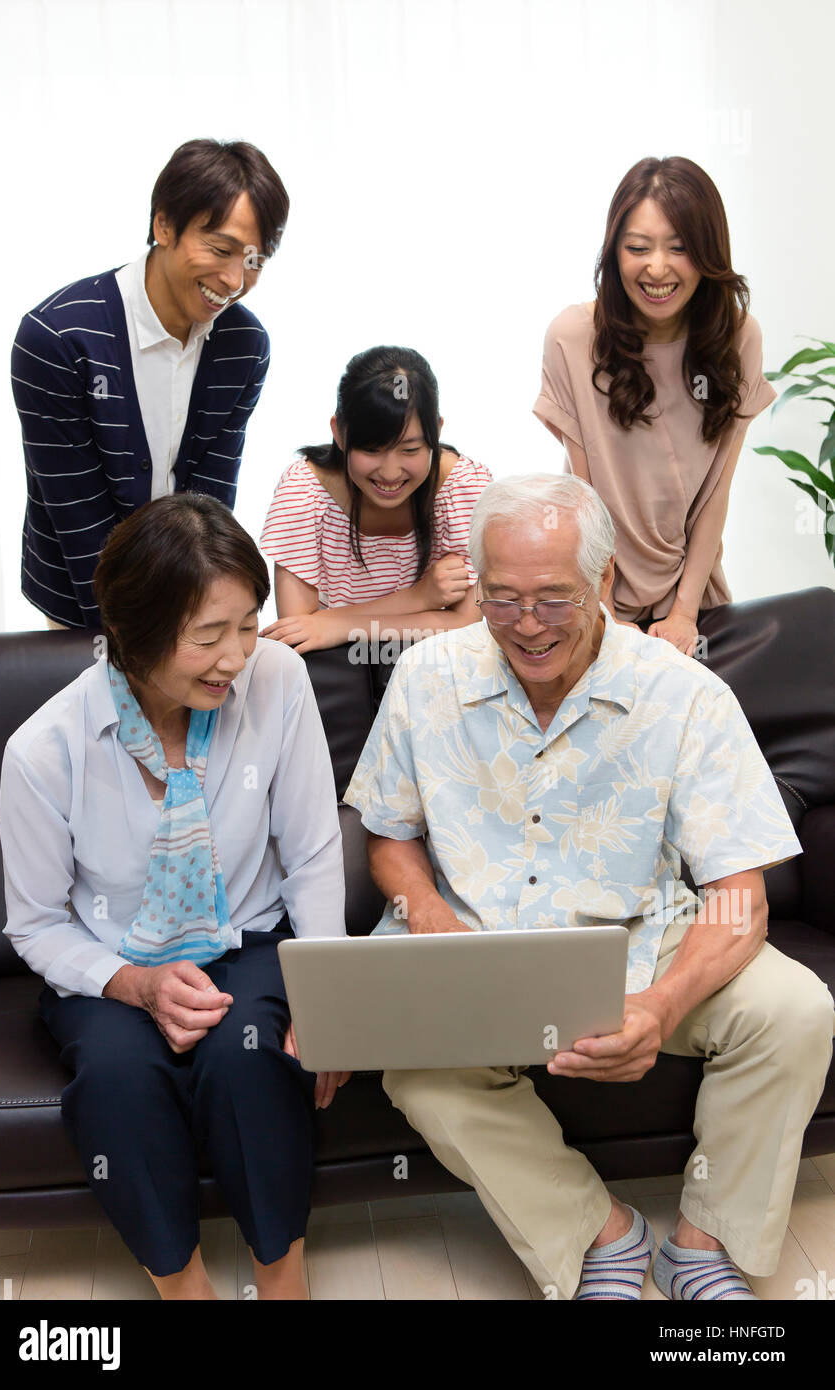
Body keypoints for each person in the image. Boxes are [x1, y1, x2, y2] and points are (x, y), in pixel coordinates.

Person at [342, 473, 834, 1302]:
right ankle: (599, 1234)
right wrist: (426, 915)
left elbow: (739, 894)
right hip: (479, 942)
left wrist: (663, 1006)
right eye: (502, 598)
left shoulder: (683, 693)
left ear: (604, 583)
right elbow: (389, 836)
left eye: (552, 599)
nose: (527, 626)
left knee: (796, 1010)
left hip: (644, 937)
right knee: (418, 1071)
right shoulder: (427, 678)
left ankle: (703, 1246)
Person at [0, 493, 349, 1301]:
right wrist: (136, 985)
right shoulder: (44, 752)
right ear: (133, 634)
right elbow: (38, 924)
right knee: (117, 1081)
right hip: (113, 966)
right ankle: (184, 1288)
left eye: (250, 624)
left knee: (251, 1062)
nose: (237, 656)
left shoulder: (280, 681)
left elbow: (311, 848)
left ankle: (281, 1278)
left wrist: (327, 1000)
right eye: (208, 636)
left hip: (246, 946)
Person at [11, 138, 289, 630]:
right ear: (164, 225)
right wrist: (140, 641)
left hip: (184, 603)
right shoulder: (57, 339)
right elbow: (78, 519)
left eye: (254, 261)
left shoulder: (244, 346)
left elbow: (210, 502)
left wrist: (205, 620)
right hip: (80, 597)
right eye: (220, 249)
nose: (232, 280)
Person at [532, 156, 776, 656]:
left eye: (680, 248)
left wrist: (684, 613)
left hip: (694, 599)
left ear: (708, 254)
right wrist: (608, 615)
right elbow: (584, 500)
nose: (657, 268)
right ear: (614, 253)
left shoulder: (738, 339)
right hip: (596, 596)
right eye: (638, 248)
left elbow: (715, 495)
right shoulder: (573, 338)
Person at [258, 346, 492, 654]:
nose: (391, 473)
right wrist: (420, 598)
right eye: (372, 450)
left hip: (436, 676)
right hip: (335, 680)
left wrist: (337, 625)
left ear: (436, 431)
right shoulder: (305, 494)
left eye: (410, 450)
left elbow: (467, 625)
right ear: (340, 433)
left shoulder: (464, 487)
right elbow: (299, 632)